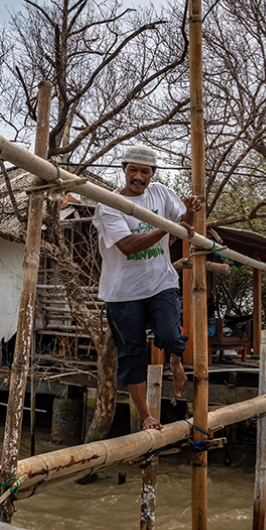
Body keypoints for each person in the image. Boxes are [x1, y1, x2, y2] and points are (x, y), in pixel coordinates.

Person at [92, 144, 202, 430]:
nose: (138, 177)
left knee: (169, 334)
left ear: (153, 173)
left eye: (145, 172)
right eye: (133, 170)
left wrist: (189, 213)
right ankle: (145, 417)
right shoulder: (108, 204)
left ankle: (174, 361)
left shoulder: (161, 193)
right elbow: (128, 245)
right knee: (132, 356)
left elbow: (183, 225)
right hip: (123, 292)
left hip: (160, 282)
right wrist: (167, 227)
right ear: (123, 170)